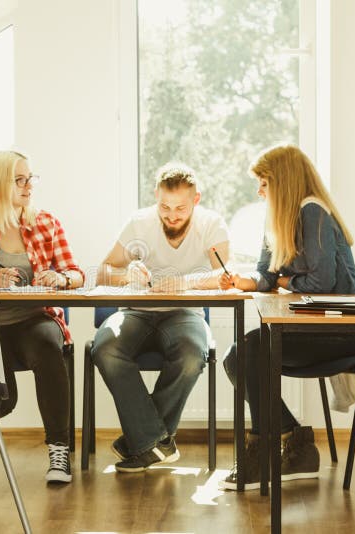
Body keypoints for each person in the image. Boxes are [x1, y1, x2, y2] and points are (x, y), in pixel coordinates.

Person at [218, 144, 355, 490]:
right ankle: (295, 440)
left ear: (283, 181)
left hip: (349, 329)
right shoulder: (277, 217)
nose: (259, 192)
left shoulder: (313, 211)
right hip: (316, 324)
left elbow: (322, 282)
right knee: (238, 356)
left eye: (263, 183)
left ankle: (264, 454)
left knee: (250, 351)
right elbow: (266, 273)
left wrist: (285, 279)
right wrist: (248, 281)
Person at [0, 150, 84, 484]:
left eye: (30, 178)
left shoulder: (45, 223)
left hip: (33, 320)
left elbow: (76, 272)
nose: (29, 186)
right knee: (5, 400)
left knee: (47, 345)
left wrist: (62, 278)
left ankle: (59, 450)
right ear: (0, 184)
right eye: (20, 180)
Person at [91, 162, 230, 472]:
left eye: (180, 208)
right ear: (156, 196)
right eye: (164, 207)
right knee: (104, 348)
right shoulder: (138, 223)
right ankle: (155, 442)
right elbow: (102, 271)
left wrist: (186, 283)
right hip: (135, 310)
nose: (172, 215)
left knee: (193, 355)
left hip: (185, 312)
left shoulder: (212, 224)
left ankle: (140, 443)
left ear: (196, 199)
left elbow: (225, 275)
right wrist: (126, 274)